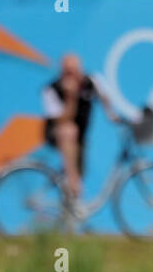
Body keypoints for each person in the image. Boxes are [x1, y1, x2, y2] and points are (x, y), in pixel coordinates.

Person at [42, 53, 117, 202]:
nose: (72, 75)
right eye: (67, 71)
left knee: (80, 174)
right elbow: (61, 120)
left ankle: (69, 216)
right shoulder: (52, 89)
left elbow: (105, 97)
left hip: (80, 137)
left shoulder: (91, 81)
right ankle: (72, 179)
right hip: (56, 134)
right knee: (69, 130)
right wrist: (71, 97)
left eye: (74, 71)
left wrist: (111, 115)